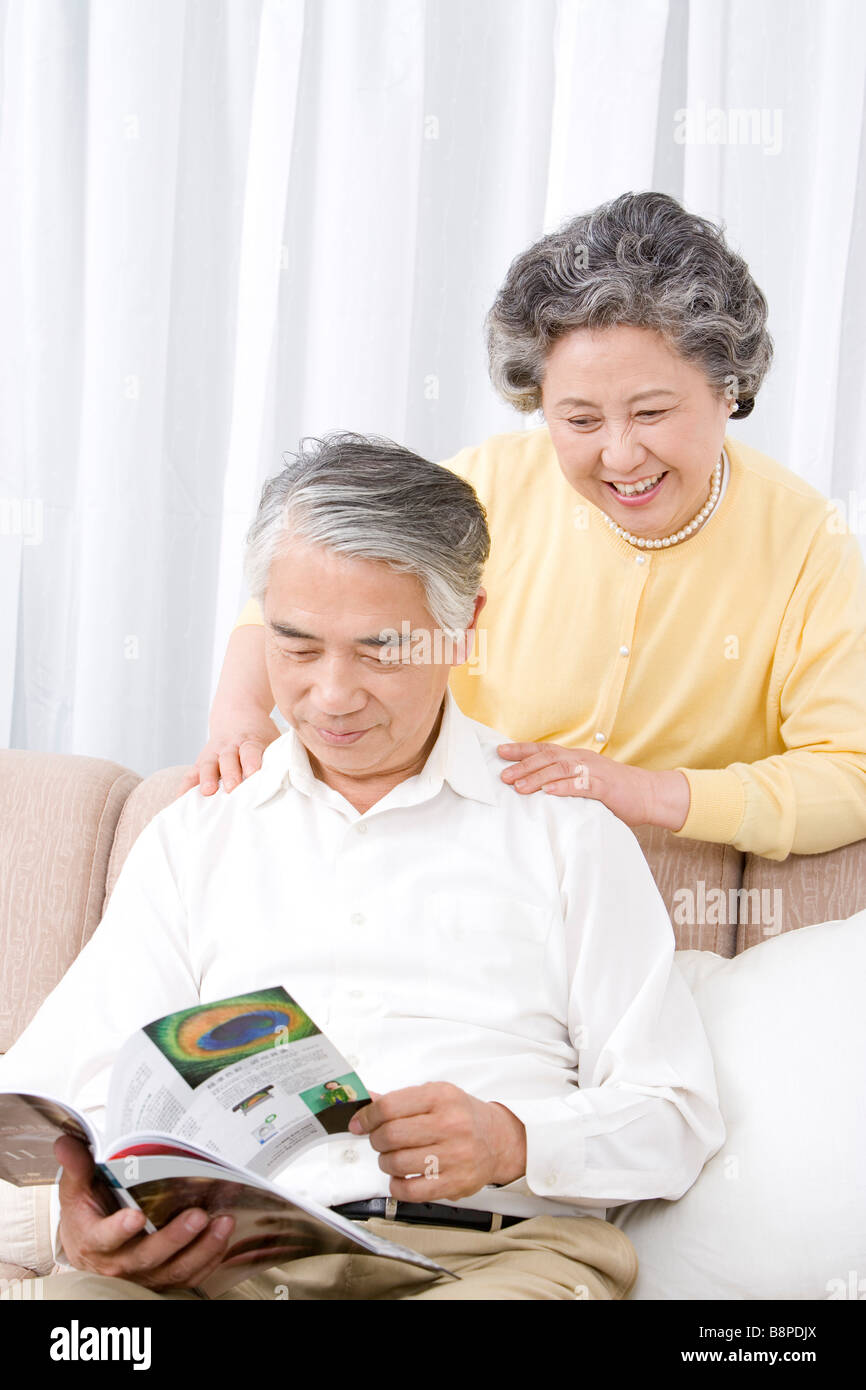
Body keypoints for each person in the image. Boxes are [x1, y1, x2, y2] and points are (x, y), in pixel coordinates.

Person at [0, 435, 724, 1302]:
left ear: (466, 627)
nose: (332, 696)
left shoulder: (566, 831)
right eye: (297, 648)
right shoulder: (198, 835)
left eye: (381, 650)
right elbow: (53, 1098)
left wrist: (512, 1138)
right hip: (223, 1267)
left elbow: (676, 1117)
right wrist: (81, 1213)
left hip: (482, 1262)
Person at [190, 192, 866, 862]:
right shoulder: (482, 488)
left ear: (730, 387)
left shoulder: (808, 543)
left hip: (647, 878)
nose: (621, 455)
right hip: (456, 854)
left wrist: (651, 793)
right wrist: (239, 714)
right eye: (578, 420)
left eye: (653, 413)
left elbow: (851, 774)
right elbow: (307, 587)